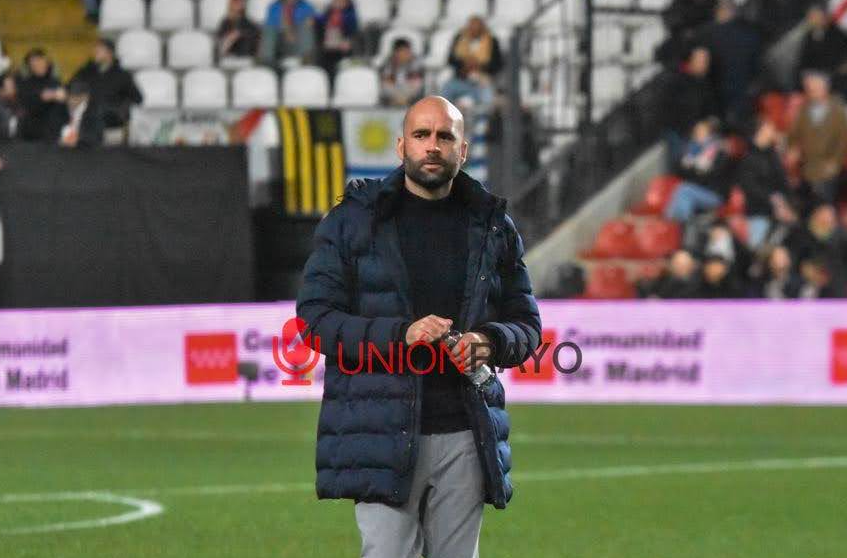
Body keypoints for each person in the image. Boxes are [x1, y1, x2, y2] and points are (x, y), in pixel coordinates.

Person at [296, 96, 541, 558]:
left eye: (445, 136)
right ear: (400, 145)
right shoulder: (352, 221)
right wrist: (399, 335)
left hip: (466, 432)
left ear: (463, 151)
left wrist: (490, 341)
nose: (433, 146)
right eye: (422, 134)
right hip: (381, 431)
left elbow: (527, 324)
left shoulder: (493, 226)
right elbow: (316, 321)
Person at [787, 70, 847, 205]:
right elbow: (794, 136)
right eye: (808, 88)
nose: (811, 91)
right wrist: (792, 149)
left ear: (824, 87)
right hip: (807, 168)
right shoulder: (803, 110)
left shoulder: (838, 110)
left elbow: (842, 139)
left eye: (814, 88)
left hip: (829, 170)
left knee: (825, 205)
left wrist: (834, 162)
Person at [698, 0, 761, 129]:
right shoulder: (750, 32)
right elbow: (756, 65)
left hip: (722, 100)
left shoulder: (709, 35)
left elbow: (705, 72)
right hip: (746, 97)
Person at [664, 117, 731, 222]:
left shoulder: (719, 150)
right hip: (696, 190)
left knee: (684, 190)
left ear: (709, 133)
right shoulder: (691, 149)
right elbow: (681, 173)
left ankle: (675, 224)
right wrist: (692, 167)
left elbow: (712, 175)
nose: (697, 133)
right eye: (696, 131)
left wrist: (694, 168)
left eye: (701, 131)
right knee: (683, 194)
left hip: (714, 194)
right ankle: (670, 224)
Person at [736, 119, 789, 248]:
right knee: (756, 250)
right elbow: (749, 186)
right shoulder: (749, 157)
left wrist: (785, 203)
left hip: (778, 212)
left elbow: (782, 182)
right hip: (758, 212)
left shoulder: (773, 155)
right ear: (760, 132)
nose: (773, 131)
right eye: (769, 128)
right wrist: (772, 199)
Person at [662, 46, 719, 167]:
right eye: (701, 61)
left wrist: (709, 123)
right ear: (691, 61)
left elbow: (711, 108)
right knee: (680, 167)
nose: (704, 65)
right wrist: (691, 128)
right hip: (680, 134)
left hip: (700, 134)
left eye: (706, 61)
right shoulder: (676, 81)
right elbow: (669, 110)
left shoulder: (705, 83)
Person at [70, 38, 142, 128]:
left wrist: (121, 108)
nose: (95, 52)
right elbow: (72, 87)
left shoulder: (123, 75)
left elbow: (138, 98)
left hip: (112, 116)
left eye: (99, 49)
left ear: (109, 53)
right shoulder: (87, 72)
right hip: (88, 115)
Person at [441, 16, 503, 113]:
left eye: (477, 27)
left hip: (482, 80)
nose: (474, 30)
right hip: (461, 79)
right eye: (471, 27)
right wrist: (464, 64)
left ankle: (482, 123)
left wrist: (480, 66)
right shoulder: (459, 39)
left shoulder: (492, 41)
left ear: (482, 28)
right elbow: (450, 60)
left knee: (487, 98)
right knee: (446, 90)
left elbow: (498, 64)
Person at [796, 4, 847, 95]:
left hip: (831, 76)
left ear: (823, 17)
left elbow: (839, 59)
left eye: (814, 16)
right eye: (810, 17)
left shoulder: (838, 34)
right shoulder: (809, 35)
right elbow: (803, 59)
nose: (812, 20)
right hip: (811, 77)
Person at [16, 48, 65, 142]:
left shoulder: (55, 81)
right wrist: (42, 97)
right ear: (29, 66)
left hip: (53, 130)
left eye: (40, 61)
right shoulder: (26, 84)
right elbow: (28, 104)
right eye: (33, 64)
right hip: (33, 131)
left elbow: (62, 100)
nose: (38, 65)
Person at [260, 0, 318, 67]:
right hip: (281, 41)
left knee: (306, 28)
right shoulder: (274, 7)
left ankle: (306, 61)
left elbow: (314, 21)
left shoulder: (306, 6)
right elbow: (271, 27)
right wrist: (287, 30)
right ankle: (265, 62)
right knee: (269, 31)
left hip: (299, 42)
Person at [47, 80, 103, 148]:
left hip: (84, 153)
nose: (71, 101)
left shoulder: (94, 112)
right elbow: (50, 133)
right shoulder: (59, 109)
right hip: (60, 152)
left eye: (75, 98)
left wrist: (78, 141)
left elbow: (96, 137)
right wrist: (59, 141)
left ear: (85, 97)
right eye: (69, 97)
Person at [316, 0, 358, 82]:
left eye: (341, 2)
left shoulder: (350, 14)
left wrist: (347, 41)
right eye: (336, 1)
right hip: (328, 46)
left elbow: (353, 30)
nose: (337, 3)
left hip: (343, 46)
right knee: (324, 65)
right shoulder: (328, 12)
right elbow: (320, 21)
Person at [379, 38, 423, 107]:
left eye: (408, 52)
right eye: (404, 52)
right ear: (396, 52)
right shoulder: (388, 65)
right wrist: (395, 97)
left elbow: (416, 85)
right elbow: (386, 85)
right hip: (391, 100)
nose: (407, 55)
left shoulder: (416, 65)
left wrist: (405, 98)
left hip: (410, 99)